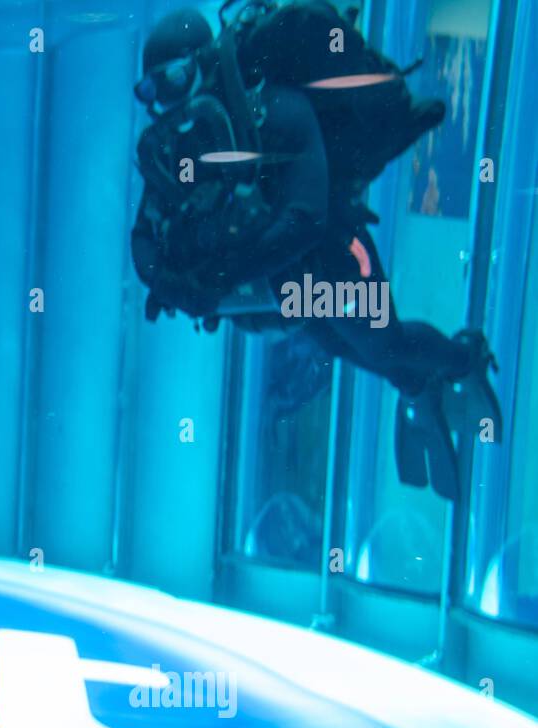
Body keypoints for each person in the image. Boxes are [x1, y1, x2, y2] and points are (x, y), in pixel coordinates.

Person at [130, 5, 501, 500]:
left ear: (206, 63)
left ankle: (462, 358)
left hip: (332, 257)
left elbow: (306, 220)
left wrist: (217, 277)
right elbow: (145, 235)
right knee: (350, 347)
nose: (168, 101)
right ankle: (419, 388)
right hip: (277, 287)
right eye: (154, 91)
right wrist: (175, 283)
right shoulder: (174, 153)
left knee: (382, 344)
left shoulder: (274, 109)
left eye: (175, 79)